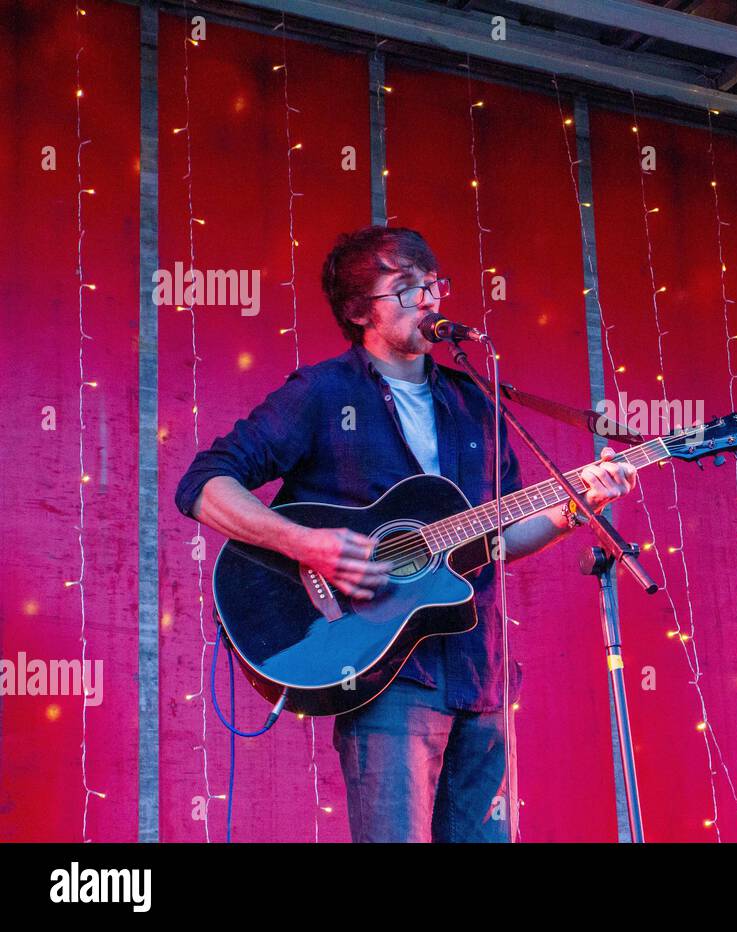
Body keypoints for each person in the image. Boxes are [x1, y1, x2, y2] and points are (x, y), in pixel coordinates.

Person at [174, 226, 637, 842]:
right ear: (358, 309)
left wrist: (574, 508)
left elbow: (496, 535)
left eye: (433, 284)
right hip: (387, 673)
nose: (428, 300)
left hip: (481, 672)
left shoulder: (475, 401)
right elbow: (204, 484)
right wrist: (302, 542)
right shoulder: (322, 393)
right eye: (405, 288)